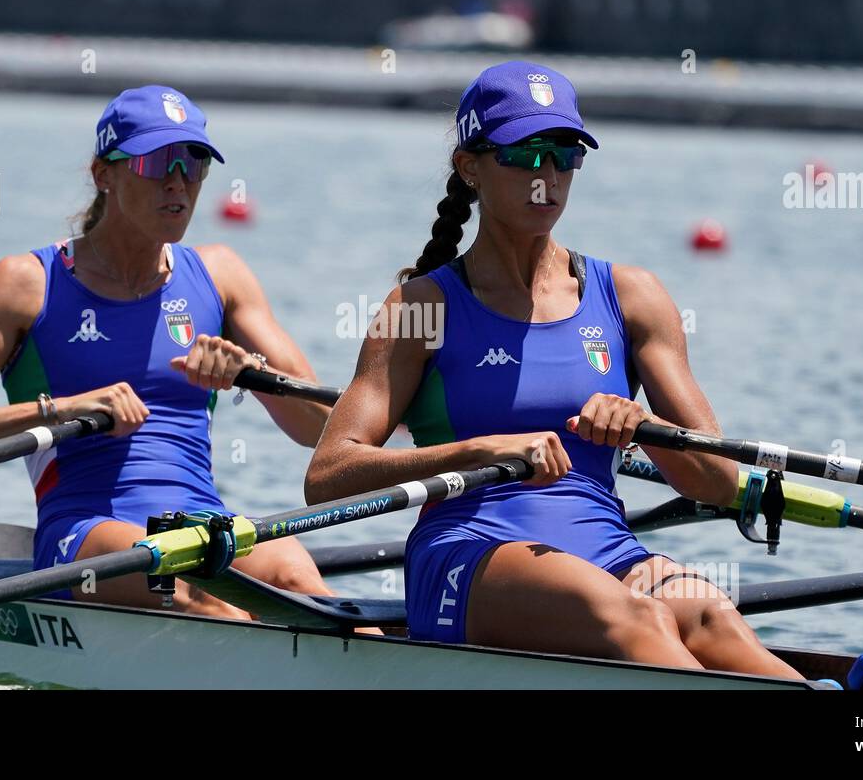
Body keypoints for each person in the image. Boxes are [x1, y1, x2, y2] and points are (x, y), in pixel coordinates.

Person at [304, 62, 803, 677]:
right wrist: (480, 451)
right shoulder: (421, 308)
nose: (548, 176)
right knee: (640, 620)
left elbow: (718, 481)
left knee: (711, 618)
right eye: (526, 153)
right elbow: (329, 475)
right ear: (470, 166)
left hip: (606, 549)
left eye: (565, 154)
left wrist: (641, 422)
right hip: (467, 552)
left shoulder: (632, 295)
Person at [0, 85, 341, 620]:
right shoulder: (24, 285)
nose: (178, 183)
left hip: (204, 524)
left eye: (194, 164)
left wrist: (252, 375)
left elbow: (321, 429)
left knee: (305, 589)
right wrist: (59, 410)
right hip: (83, 537)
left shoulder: (221, 276)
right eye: (157, 162)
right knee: (210, 605)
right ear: (105, 173)